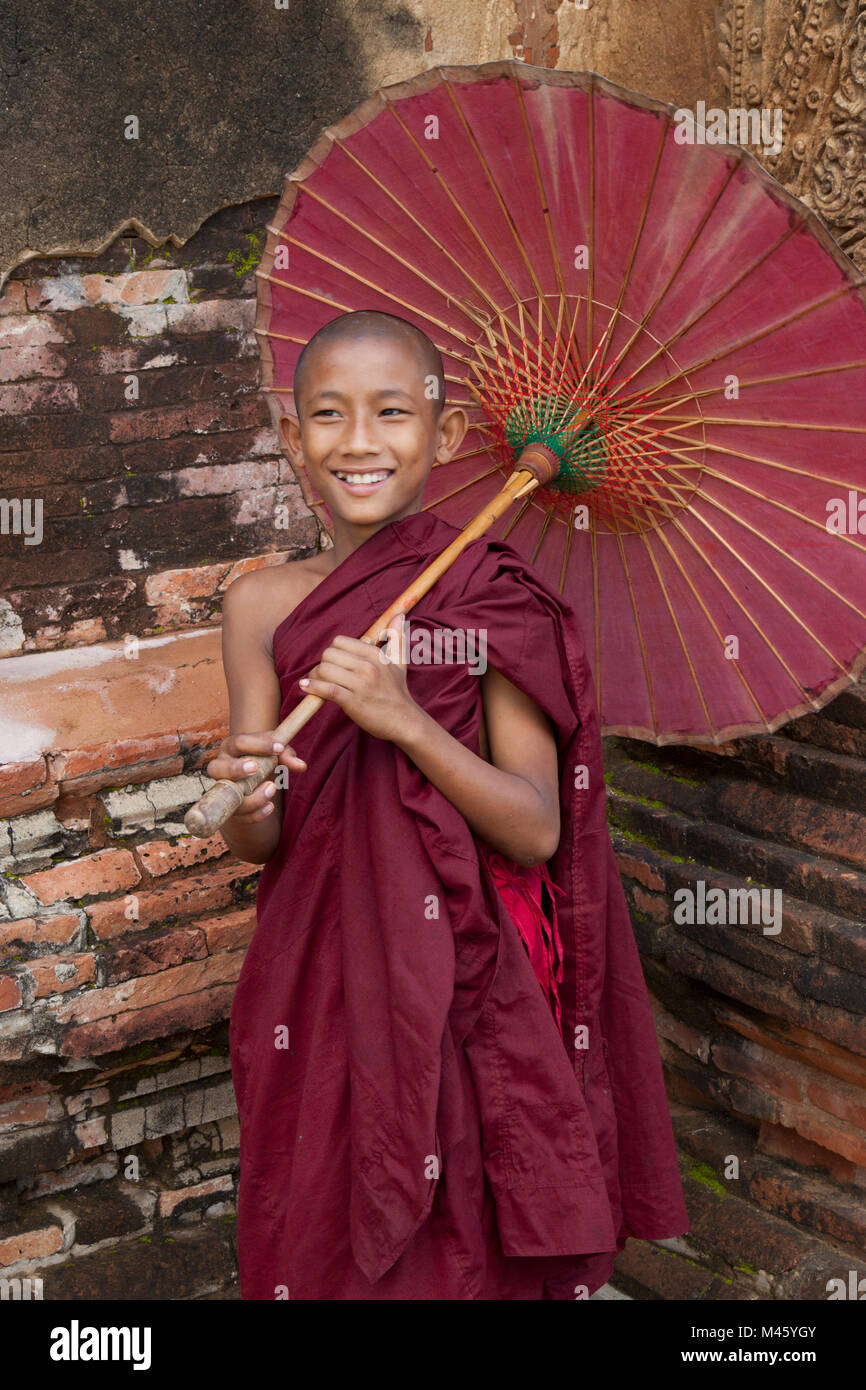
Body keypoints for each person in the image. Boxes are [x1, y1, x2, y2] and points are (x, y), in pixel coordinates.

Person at [207, 309, 689, 1300]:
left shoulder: (488, 596)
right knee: (320, 1182)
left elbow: (536, 823)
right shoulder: (259, 603)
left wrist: (403, 718)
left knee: (456, 1207)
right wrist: (245, 798)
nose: (359, 441)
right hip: (318, 954)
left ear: (445, 433)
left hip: (463, 956)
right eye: (328, 415)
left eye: (392, 411)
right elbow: (261, 838)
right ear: (292, 436)